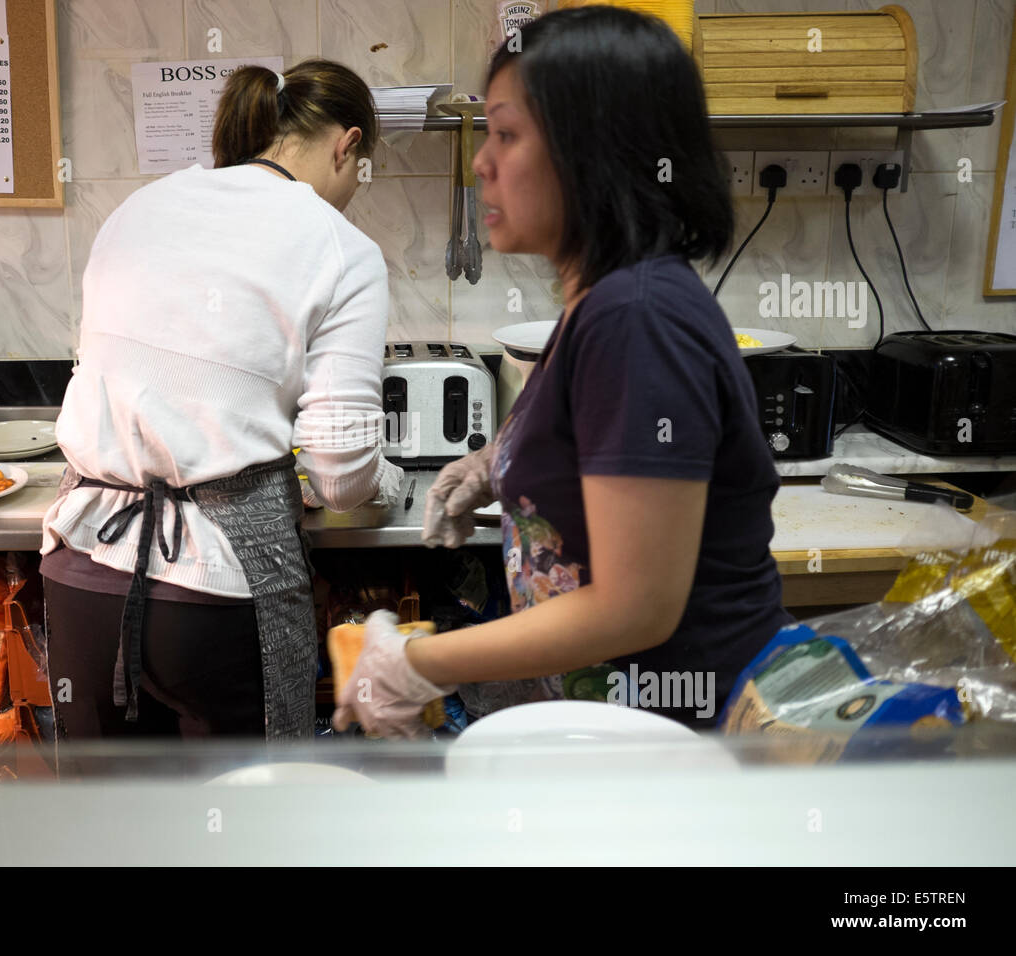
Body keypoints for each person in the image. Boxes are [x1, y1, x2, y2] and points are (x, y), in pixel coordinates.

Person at [334, 7, 794, 737]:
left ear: (596, 150)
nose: (481, 161)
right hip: (632, 724)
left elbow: (634, 605)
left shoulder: (635, 316)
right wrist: (496, 463)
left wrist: (420, 660)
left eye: (508, 135)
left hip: (690, 735)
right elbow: (591, 433)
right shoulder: (603, 304)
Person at [41, 58, 404, 747]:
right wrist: (385, 481)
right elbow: (339, 473)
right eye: (363, 169)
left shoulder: (140, 205)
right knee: (252, 826)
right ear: (347, 144)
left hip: (80, 570)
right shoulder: (342, 249)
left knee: (107, 831)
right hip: (219, 595)